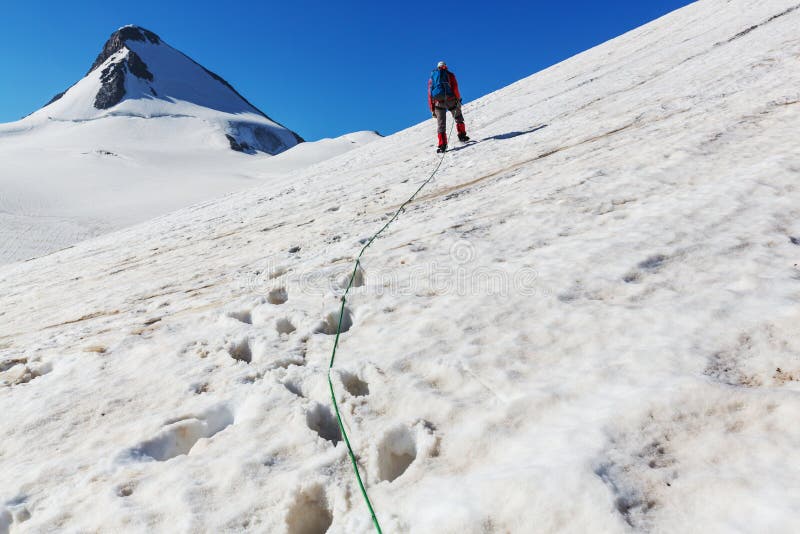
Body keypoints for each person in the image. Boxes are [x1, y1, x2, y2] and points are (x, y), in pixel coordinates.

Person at [428, 61, 469, 153]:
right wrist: (458, 99)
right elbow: (455, 88)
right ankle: (462, 135)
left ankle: (442, 145)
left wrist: (432, 108)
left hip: (438, 102)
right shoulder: (450, 75)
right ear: (445, 66)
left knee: (441, 124)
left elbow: (430, 94)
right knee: (458, 117)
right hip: (451, 99)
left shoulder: (432, 78)